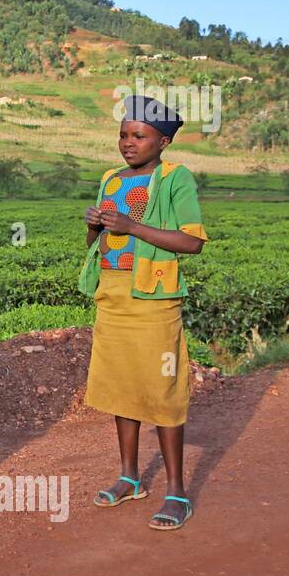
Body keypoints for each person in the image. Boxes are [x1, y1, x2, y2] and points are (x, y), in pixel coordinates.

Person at [81, 95, 208, 531]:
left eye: (139, 136)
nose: (128, 143)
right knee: (122, 387)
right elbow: (98, 244)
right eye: (123, 134)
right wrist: (94, 225)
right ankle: (129, 477)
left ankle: (176, 491)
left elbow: (192, 241)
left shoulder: (176, 179)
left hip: (155, 299)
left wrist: (131, 226)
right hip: (113, 295)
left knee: (163, 391)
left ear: (164, 140)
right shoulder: (111, 178)